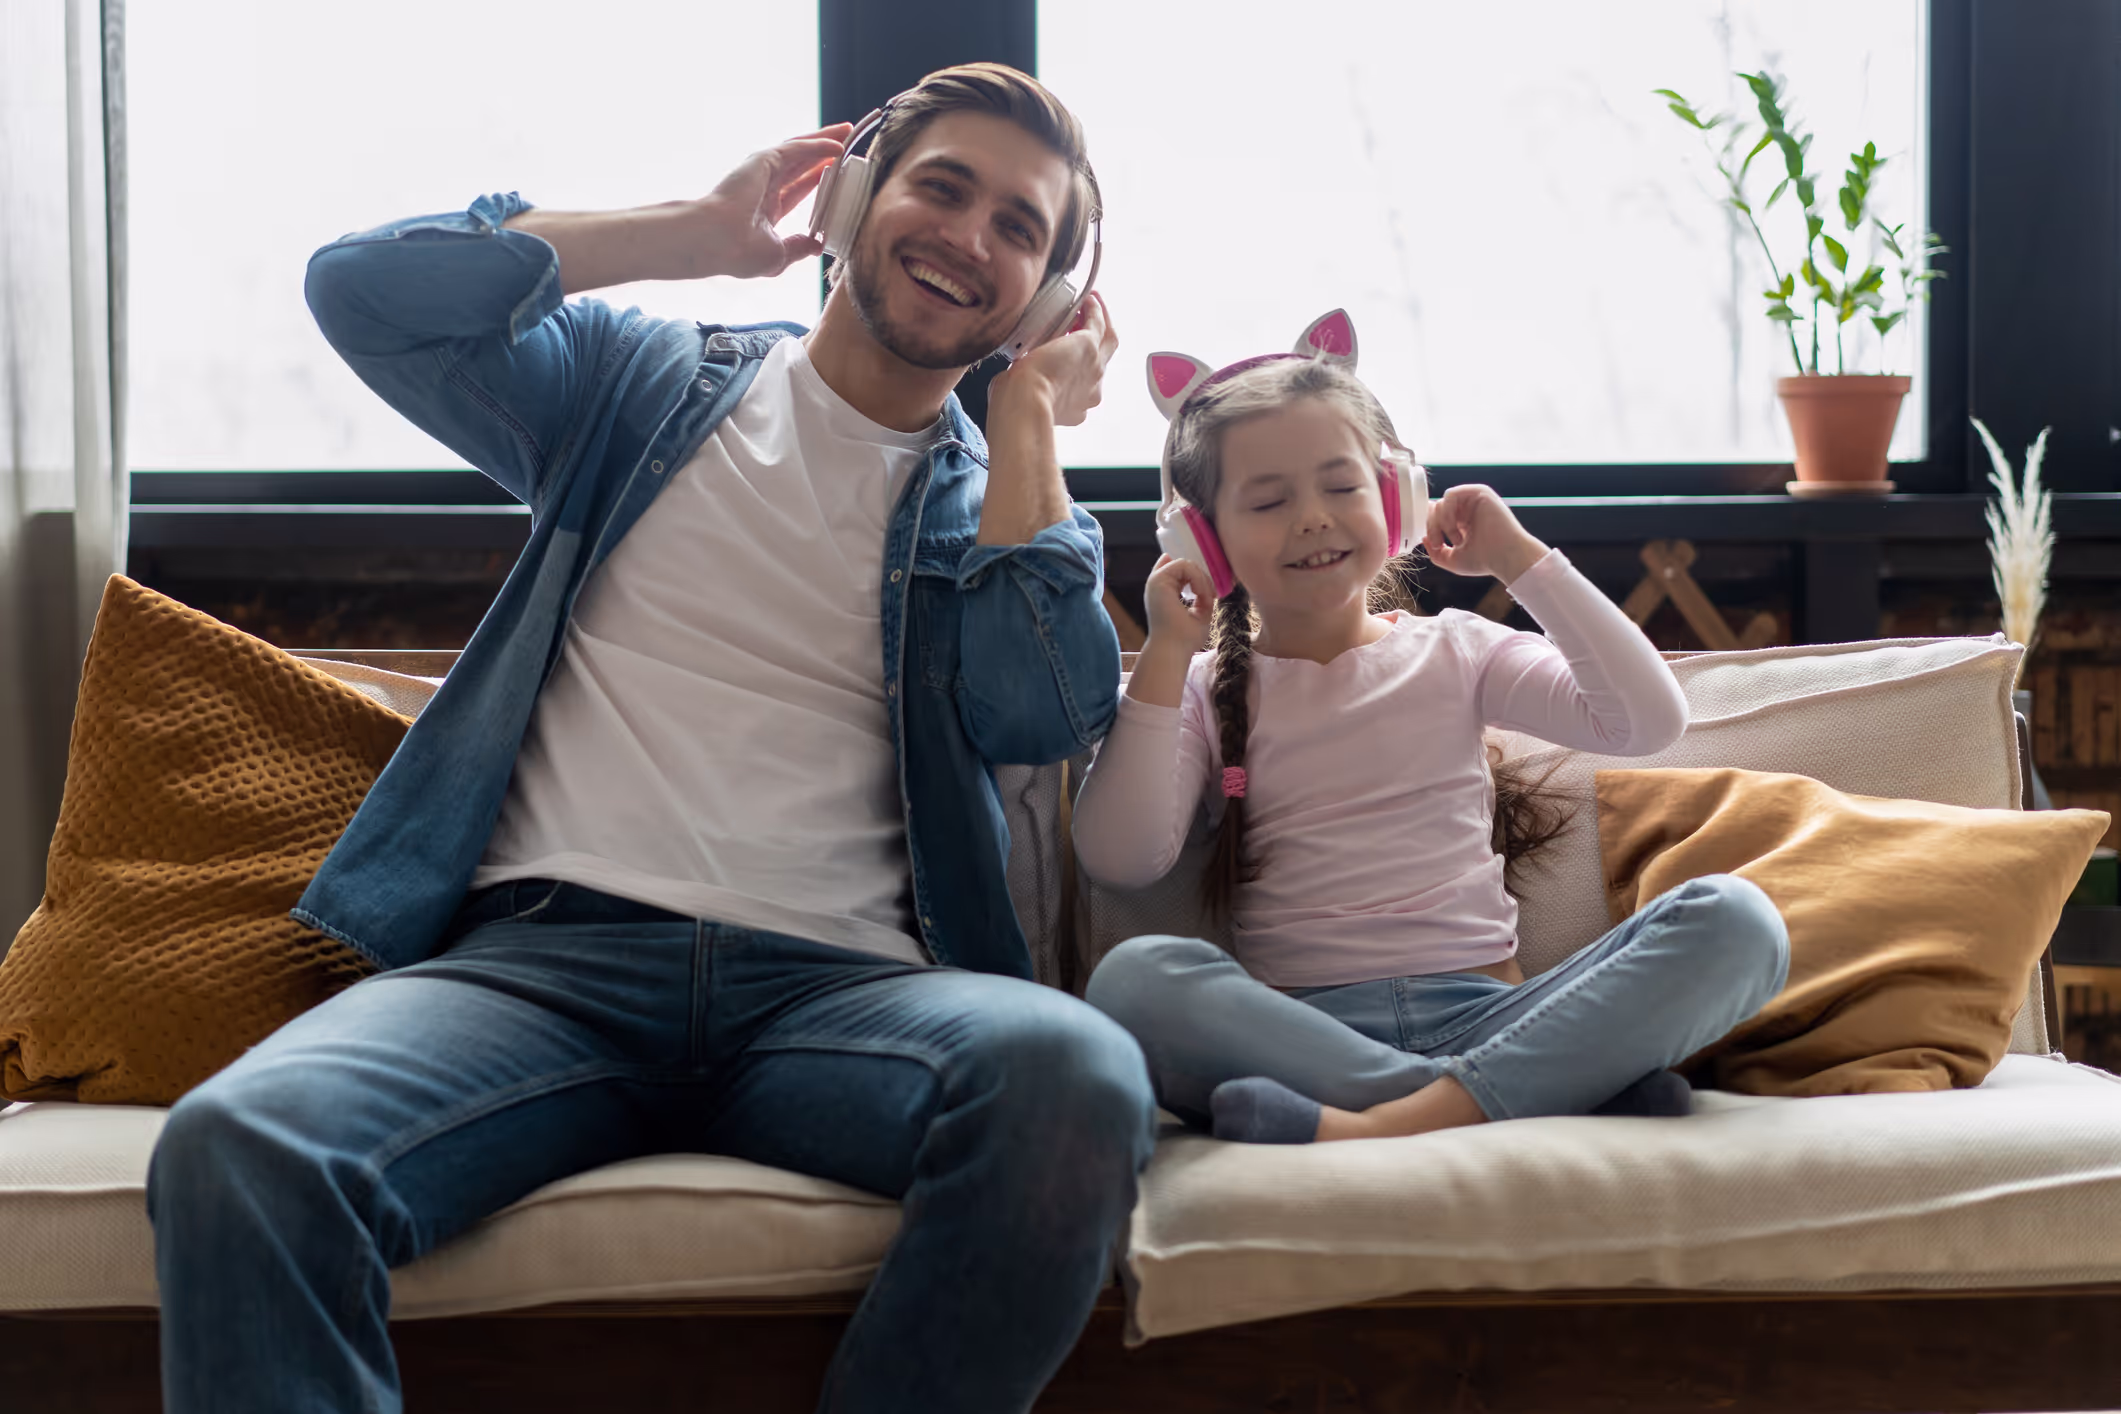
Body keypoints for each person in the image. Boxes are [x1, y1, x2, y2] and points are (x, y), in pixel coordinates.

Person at [145, 64, 1154, 1414]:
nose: (971, 236)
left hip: (839, 1000)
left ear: (1040, 300)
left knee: (1077, 1074)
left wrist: (1024, 417)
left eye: (1020, 228)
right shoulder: (635, 385)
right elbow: (365, 293)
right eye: (940, 186)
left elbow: (1042, 708)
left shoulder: (997, 519)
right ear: (854, 194)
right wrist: (693, 231)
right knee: (239, 1146)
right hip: (538, 975)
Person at [1071, 312, 1790, 1146]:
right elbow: (1121, 858)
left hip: (1500, 1014)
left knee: (1737, 922)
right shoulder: (1202, 690)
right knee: (1136, 980)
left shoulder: (1459, 652)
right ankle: (1538, 1090)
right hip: (1310, 1043)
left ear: (1396, 498)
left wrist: (1520, 558)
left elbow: (1644, 720)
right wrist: (1165, 650)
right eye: (1268, 501)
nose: (1312, 518)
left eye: (1341, 488)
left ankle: (1398, 1119)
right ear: (1202, 538)